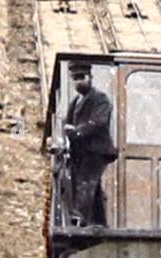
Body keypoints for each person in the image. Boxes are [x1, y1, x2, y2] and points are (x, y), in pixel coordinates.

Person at [63, 60, 117, 227]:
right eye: (75, 78)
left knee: (86, 181)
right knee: (92, 186)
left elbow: (98, 123)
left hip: (96, 150)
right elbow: (66, 123)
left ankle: (79, 218)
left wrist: (76, 132)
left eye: (82, 77)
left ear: (90, 77)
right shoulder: (75, 102)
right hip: (81, 152)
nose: (79, 82)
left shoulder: (100, 99)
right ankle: (99, 222)